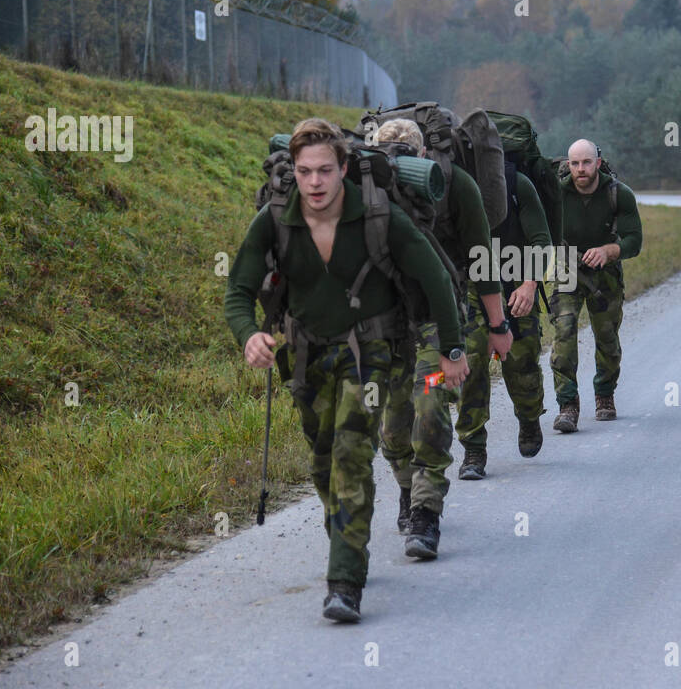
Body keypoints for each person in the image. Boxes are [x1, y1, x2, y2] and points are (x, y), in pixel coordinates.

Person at [223, 118, 463, 623]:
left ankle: (345, 583)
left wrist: (453, 350)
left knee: (353, 453)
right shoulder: (274, 220)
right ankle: (345, 534)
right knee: (323, 459)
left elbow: (435, 277)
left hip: (369, 353)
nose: (314, 182)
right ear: (295, 171)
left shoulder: (379, 215)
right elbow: (239, 292)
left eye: (324, 171)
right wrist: (250, 335)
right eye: (305, 171)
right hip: (306, 356)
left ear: (343, 169)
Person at [373, 118, 512, 560]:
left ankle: (426, 513)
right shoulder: (364, 193)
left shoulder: (456, 186)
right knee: (393, 429)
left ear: (425, 156)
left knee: (430, 405)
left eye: (404, 156)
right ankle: (408, 488)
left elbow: (482, 260)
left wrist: (498, 326)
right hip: (389, 322)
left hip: (442, 317)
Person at [455, 146, 554, 477]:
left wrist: (529, 285)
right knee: (471, 361)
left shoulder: (517, 184)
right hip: (471, 283)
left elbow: (542, 241)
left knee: (521, 360)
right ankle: (473, 450)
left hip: (515, 278)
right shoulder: (453, 185)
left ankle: (528, 417)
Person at [550, 139, 642, 432]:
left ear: (598, 163)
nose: (581, 169)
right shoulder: (555, 193)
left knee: (606, 337)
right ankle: (567, 405)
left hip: (605, 275)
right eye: (575, 163)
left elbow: (633, 241)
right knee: (563, 332)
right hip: (567, 271)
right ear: (568, 164)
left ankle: (604, 394)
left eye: (586, 162)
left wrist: (608, 251)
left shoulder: (619, 194)